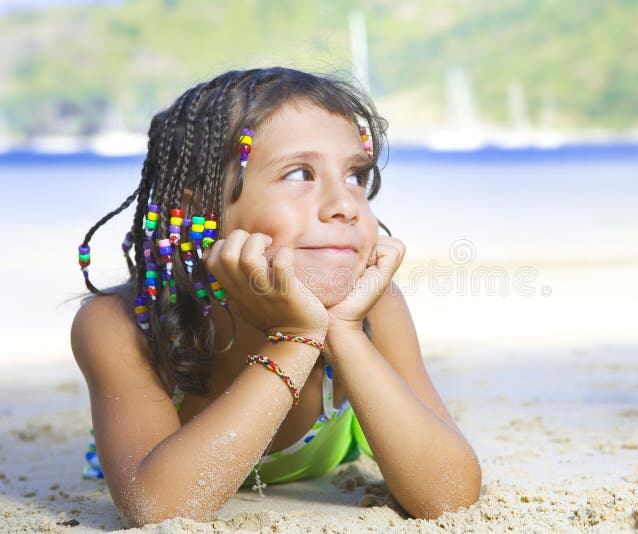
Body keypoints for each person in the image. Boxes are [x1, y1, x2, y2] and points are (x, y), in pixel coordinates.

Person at [71, 67, 481, 527]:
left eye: (354, 176)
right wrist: (295, 339)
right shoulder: (124, 325)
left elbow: (450, 498)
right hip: (166, 467)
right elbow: (159, 511)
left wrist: (343, 332)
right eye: (300, 173)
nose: (346, 204)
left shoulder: (375, 308)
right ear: (201, 208)